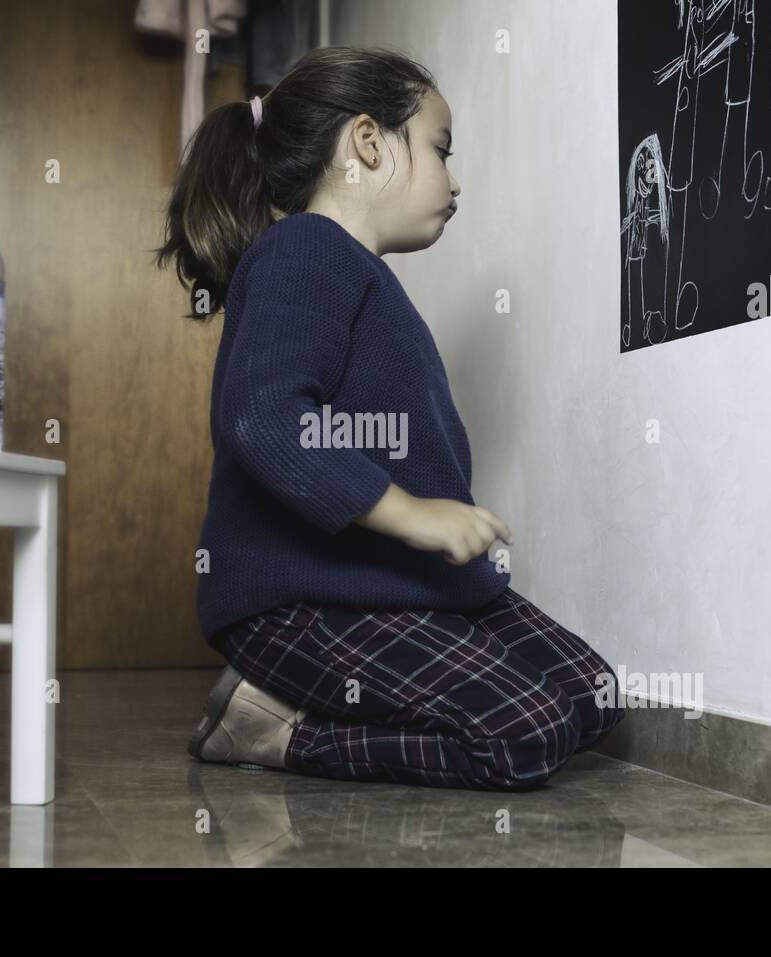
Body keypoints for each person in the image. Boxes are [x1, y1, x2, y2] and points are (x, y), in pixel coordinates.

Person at [152, 45, 625, 791]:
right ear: (368, 144)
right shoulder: (301, 250)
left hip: (390, 589)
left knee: (592, 696)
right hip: (298, 604)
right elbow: (263, 418)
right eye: (440, 149)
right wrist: (411, 514)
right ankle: (279, 730)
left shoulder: (362, 277)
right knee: (525, 733)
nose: (455, 178)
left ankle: (325, 701)